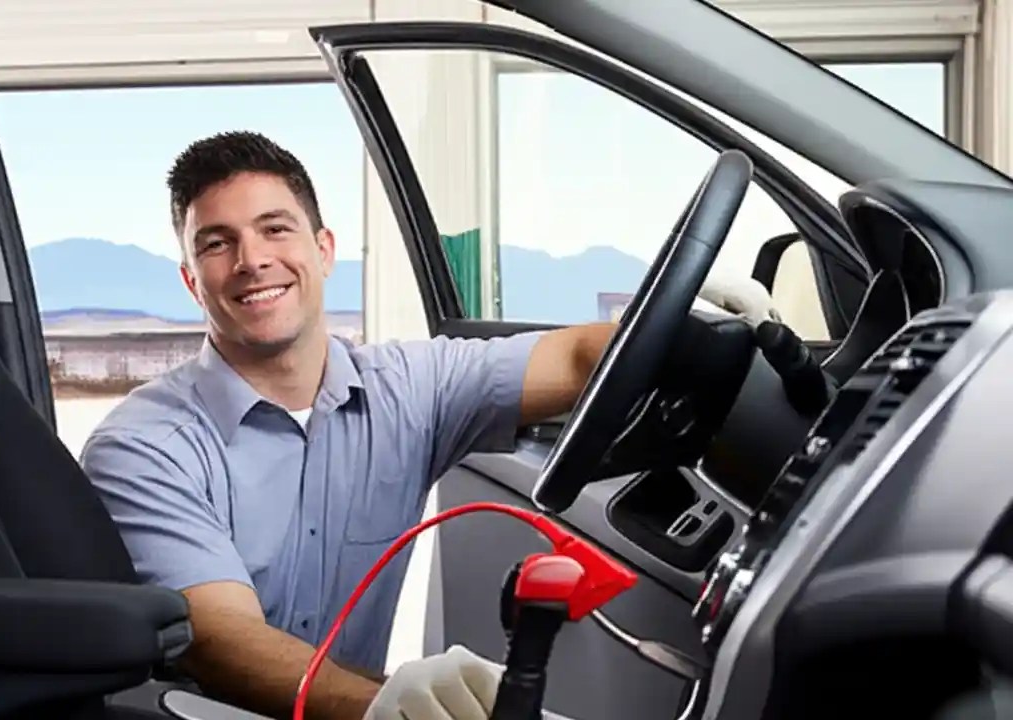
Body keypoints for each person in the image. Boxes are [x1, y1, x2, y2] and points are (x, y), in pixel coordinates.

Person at [80, 130, 777, 720]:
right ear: (190, 281)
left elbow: (576, 355)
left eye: (274, 229)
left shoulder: (409, 388)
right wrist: (383, 706)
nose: (252, 260)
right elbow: (224, 639)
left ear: (323, 249)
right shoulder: (142, 446)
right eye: (216, 243)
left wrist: (694, 331)